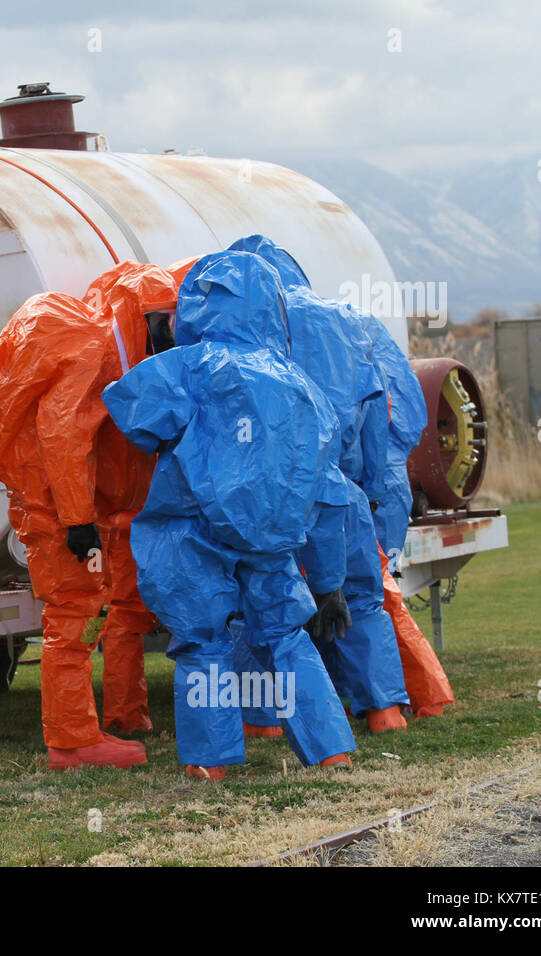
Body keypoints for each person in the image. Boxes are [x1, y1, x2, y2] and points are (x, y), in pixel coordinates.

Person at [102, 250, 356, 781]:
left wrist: (163, 348)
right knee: (288, 637)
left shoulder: (188, 367)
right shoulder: (306, 389)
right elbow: (332, 494)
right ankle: (331, 749)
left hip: (192, 530)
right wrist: (330, 580)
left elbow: (131, 415)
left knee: (204, 641)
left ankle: (210, 763)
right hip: (273, 542)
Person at [0, 266, 179, 769]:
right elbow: (63, 434)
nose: (172, 334)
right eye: (167, 321)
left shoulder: (96, 345)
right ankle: (74, 742)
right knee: (73, 615)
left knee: (75, 615)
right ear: (142, 317)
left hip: (50, 500)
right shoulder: (96, 350)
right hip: (55, 506)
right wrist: (79, 519)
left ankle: (77, 736)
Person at [227, 236, 409, 734]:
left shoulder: (243, 326)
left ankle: (262, 719)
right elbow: (377, 415)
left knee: (259, 602)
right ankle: (382, 710)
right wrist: (371, 486)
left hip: (271, 492)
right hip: (340, 486)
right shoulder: (346, 321)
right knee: (360, 598)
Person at [79, 260, 190, 735]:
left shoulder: (114, 357)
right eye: (161, 318)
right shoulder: (121, 363)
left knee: (128, 615)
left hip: (132, 513)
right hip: (137, 514)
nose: (168, 327)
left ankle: (128, 717)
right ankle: (135, 715)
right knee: (148, 613)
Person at [360, 312, 456, 717]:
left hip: (368, 489)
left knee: (371, 598)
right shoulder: (375, 344)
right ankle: (418, 697)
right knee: (381, 595)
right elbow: (412, 418)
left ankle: (391, 704)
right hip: (389, 484)